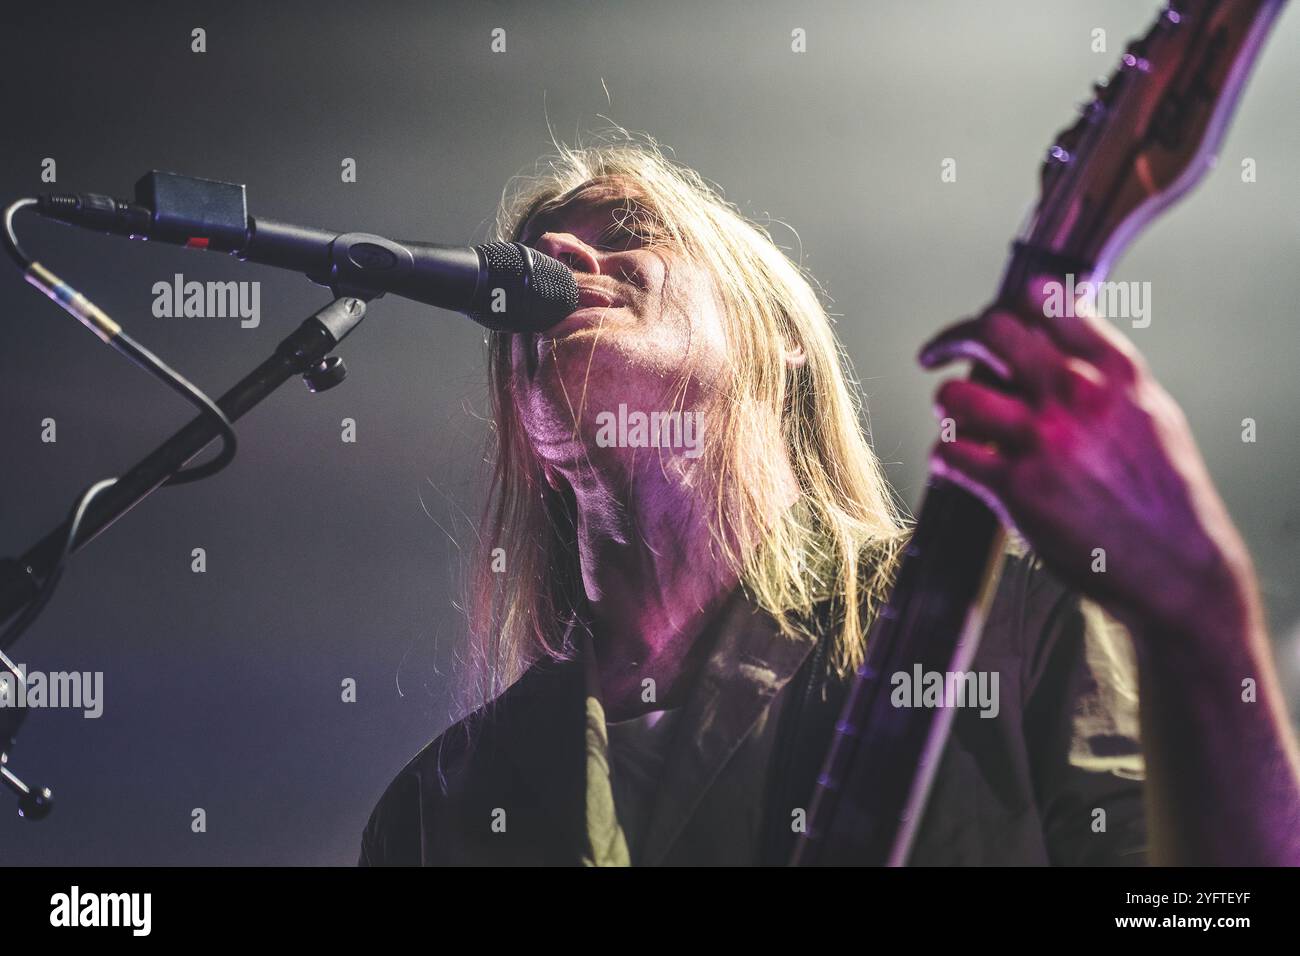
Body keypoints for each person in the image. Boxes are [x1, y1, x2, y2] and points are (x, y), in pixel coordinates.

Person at [359, 140, 1300, 866]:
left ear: (780, 333)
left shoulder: (1004, 627)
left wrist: (1203, 613)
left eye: (631, 232)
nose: (557, 253)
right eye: (540, 253)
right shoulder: (437, 806)